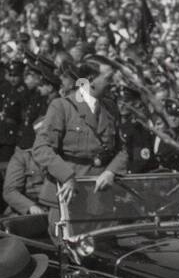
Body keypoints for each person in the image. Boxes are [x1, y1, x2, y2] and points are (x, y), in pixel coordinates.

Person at [32, 61, 127, 215]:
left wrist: (111, 171)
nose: (114, 83)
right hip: (68, 195)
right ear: (90, 79)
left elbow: (122, 150)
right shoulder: (62, 106)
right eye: (108, 78)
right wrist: (66, 176)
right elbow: (41, 149)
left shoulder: (110, 108)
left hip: (100, 197)